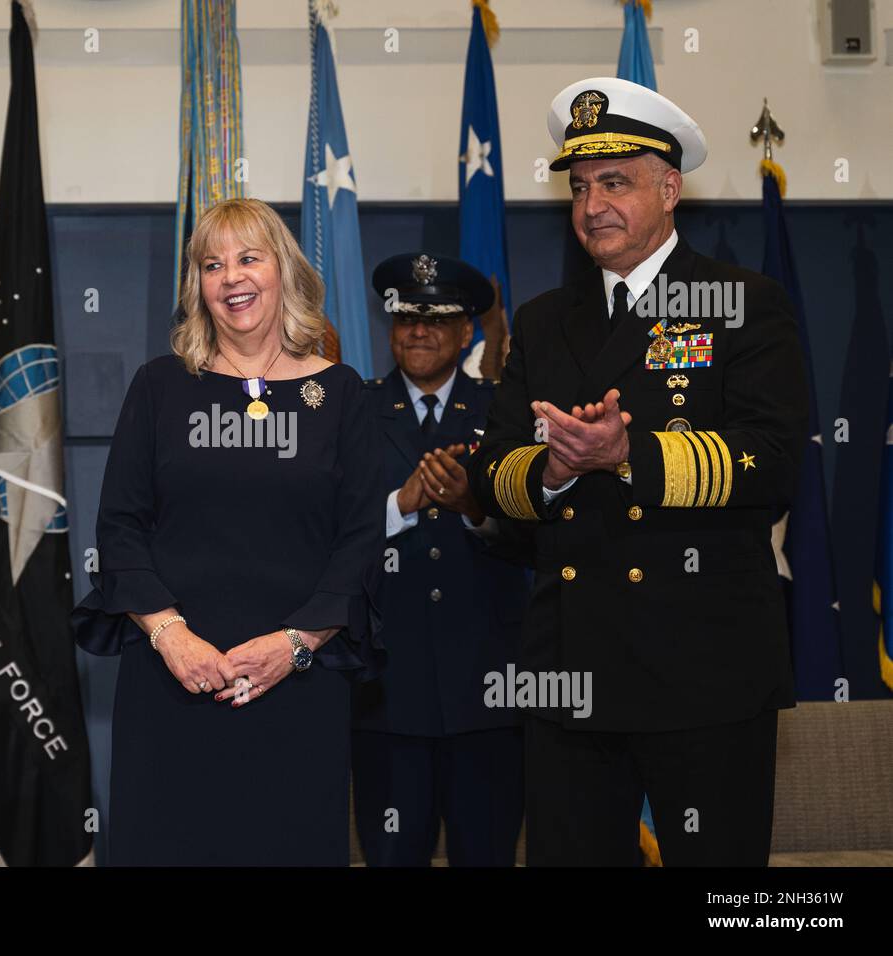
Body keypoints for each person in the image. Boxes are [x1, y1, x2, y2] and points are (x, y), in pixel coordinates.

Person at [469, 77, 808, 866]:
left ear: (669, 188)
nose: (593, 207)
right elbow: (491, 472)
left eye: (615, 183)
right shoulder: (546, 320)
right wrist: (552, 470)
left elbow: (774, 460)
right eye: (581, 188)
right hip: (571, 669)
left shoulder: (742, 302)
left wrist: (630, 455)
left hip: (705, 668)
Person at [71, 197, 385, 865]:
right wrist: (171, 635)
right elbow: (120, 526)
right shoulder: (158, 387)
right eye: (212, 264)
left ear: (284, 271)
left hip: (299, 682)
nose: (231, 277)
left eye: (249, 258)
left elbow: (361, 539)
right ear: (198, 287)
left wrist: (296, 643)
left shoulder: (342, 393)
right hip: (173, 680)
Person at [352, 253, 528, 866]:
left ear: (467, 333)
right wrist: (402, 503)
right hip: (387, 696)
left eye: (438, 318)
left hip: (488, 692)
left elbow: (541, 534)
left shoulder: (506, 412)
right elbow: (326, 538)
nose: (419, 330)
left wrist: (474, 508)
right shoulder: (354, 413)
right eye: (406, 317)